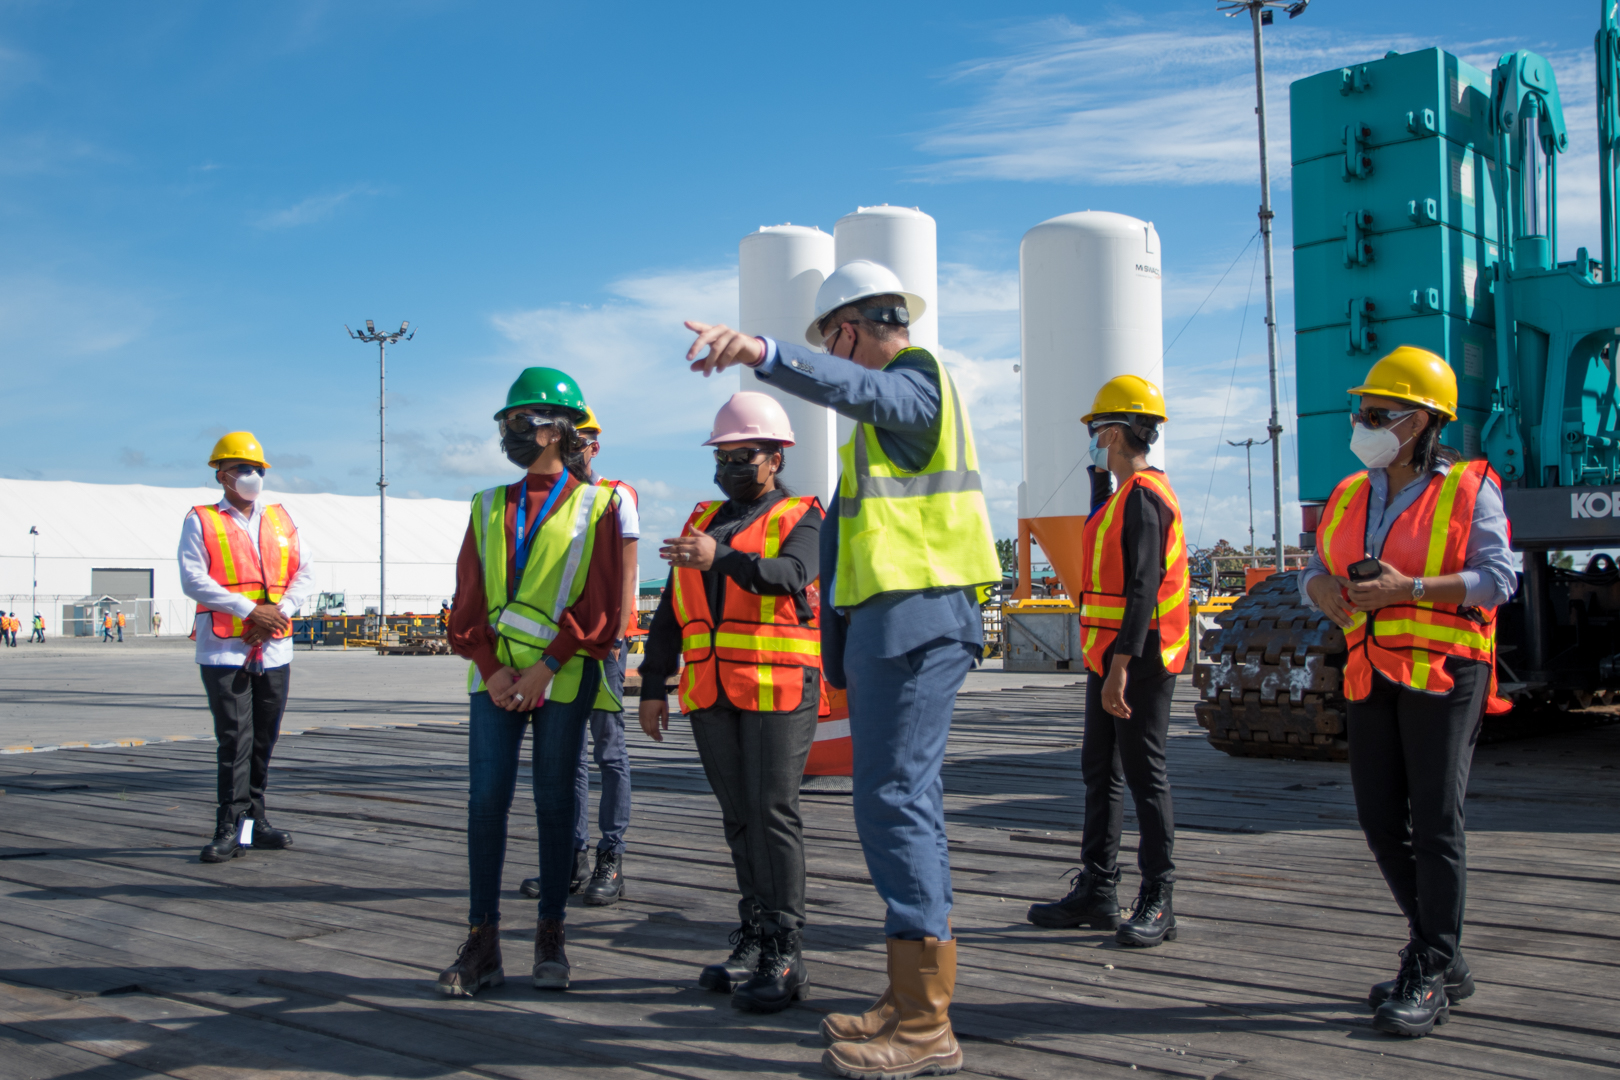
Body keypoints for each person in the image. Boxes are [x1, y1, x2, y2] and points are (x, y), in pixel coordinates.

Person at [685, 259, 1001, 1080]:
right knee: (893, 803)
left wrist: (762, 348)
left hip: (917, 623)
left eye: (834, 341)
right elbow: (858, 552)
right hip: (890, 631)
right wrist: (837, 652)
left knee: (897, 802)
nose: (837, 358)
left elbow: (865, 394)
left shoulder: (917, 383)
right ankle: (908, 1000)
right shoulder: (886, 434)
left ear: (849, 331)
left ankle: (928, 1024)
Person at [1299, 346, 1515, 1037]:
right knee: (1378, 818)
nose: (1361, 422)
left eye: (1376, 412)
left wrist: (1410, 589)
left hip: (1447, 672)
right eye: (1360, 411)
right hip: (1372, 667)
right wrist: (1320, 587)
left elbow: (1498, 578)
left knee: (1436, 822)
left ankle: (1430, 962)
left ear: (1418, 422)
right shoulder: (1349, 492)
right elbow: (1314, 562)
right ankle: (1439, 951)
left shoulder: (1471, 488)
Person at [439, 367, 624, 997]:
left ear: (556, 429)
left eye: (519, 422)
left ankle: (551, 935)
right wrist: (493, 671)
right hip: (495, 679)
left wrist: (544, 667)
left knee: (554, 804)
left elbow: (601, 604)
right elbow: (466, 598)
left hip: (562, 677)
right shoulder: (487, 504)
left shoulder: (599, 505)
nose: (509, 433)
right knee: (485, 803)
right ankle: (482, 941)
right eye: (506, 422)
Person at [638, 392, 826, 1012]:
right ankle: (754, 929)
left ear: (775, 457)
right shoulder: (703, 519)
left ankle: (786, 949)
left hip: (777, 686)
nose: (729, 466)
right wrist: (652, 684)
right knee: (738, 816)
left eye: (742, 455)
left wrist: (723, 556)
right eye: (722, 456)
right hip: (710, 688)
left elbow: (790, 576)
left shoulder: (803, 515)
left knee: (773, 811)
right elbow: (670, 611)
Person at [1025, 376, 1188, 948]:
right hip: (1110, 659)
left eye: (1096, 434)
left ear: (1115, 432)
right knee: (1101, 771)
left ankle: (1158, 898)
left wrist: (1119, 667)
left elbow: (1143, 590)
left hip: (1139, 661)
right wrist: (1101, 478)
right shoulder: (1122, 495)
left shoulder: (1144, 497)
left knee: (1145, 776)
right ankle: (1097, 888)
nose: (1091, 443)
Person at [178, 432, 317, 864]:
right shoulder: (200, 519)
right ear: (221, 475)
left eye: (256, 468)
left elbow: (305, 572)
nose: (251, 475)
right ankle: (228, 825)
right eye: (241, 468)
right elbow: (193, 579)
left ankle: (254, 824)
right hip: (225, 646)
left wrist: (275, 611)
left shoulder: (280, 519)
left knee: (264, 739)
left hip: (274, 645)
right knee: (234, 738)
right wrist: (248, 611)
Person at [519, 405, 638, 906]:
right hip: (561, 642)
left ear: (595, 446)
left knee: (608, 750)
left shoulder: (615, 496)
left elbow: (627, 572)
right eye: (571, 440)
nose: (578, 448)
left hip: (604, 642)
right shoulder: (554, 501)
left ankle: (611, 855)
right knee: (568, 759)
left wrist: (617, 631)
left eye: (585, 440)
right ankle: (572, 855)